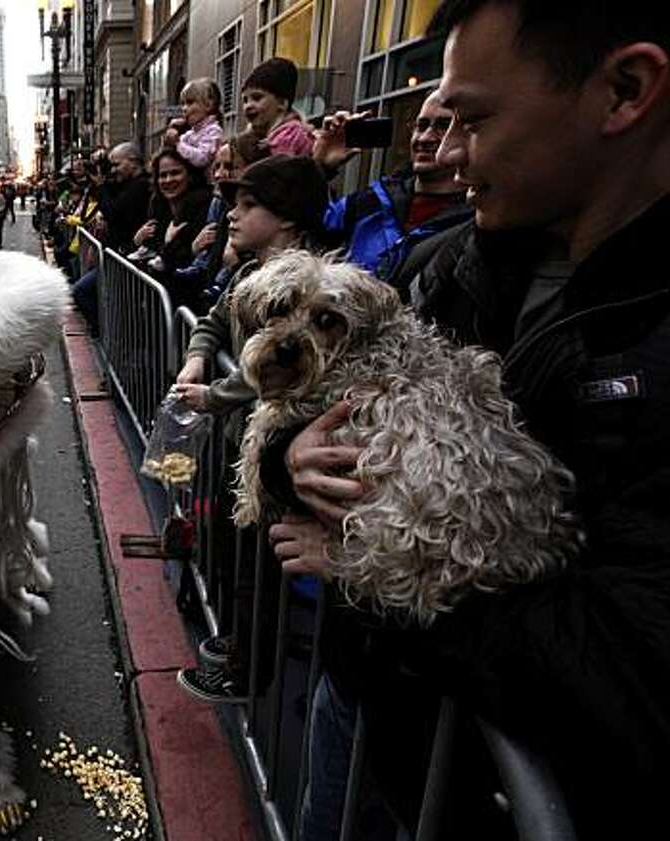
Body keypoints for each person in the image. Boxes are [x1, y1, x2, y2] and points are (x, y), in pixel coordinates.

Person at [275, 1, 670, 837]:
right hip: (366, 716)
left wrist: (374, 567)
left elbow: (628, 669)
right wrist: (288, 456)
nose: (447, 153)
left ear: (625, 91)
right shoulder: (451, 260)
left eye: (475, 120)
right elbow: (317, 397)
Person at [169, 155, 332, 703]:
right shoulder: (246, 271)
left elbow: (280, 366)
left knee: (258, 563)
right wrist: (197, 356)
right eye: (234, 204)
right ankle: (239, 642)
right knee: (235, 549)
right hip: (242, 440)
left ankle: (249, 670)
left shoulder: (315, 286)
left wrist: (214, 395)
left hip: (276, 449)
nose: (232, 216)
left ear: (286, 218)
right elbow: (216, 319)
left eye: (248, 205)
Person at [316, 89, 472, 286]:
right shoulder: (372, 200)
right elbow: (308, 229)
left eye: (443, 126)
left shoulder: (477, 220)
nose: (424, 138)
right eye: (421, 126)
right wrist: (320, 167)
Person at [175, 131, 274, 312]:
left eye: (230, 166)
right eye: (216, 167)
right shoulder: (220, 209)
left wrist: (234, 265)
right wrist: (195, 251)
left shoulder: (264, 221)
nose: (220, 174)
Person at [71, 143, 152, 333]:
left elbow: (113, 213)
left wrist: (101, 187)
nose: (113, 170)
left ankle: (109, 334)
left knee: (84, 292)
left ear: (132, 162)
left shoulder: (141, 186)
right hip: (115, 257)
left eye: (117, 165)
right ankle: (109, 334)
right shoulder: (123, 184)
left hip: (126, 258)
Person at [130, 149, 212, 308]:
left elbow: (182, 264)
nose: (168, 180)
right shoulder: (159, 210)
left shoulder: (203, 208)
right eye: (163, 175)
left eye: (175, 173)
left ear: (190, 174)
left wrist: (171, 247)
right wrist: (136, 242)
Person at [240, 58, 314, 157]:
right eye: (245, 100)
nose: (248, 105)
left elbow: (276, 170)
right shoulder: (258, 135)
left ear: (282, 103)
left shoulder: (288, 136)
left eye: (257, 98)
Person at [164, 77, 226, 174]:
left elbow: (202, 158)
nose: (184, 108)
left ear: (209, 105)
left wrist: (177, 143)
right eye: (183, 104)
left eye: (190, 103)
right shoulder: (191, 133)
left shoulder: (214, 131)